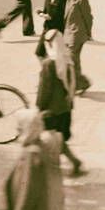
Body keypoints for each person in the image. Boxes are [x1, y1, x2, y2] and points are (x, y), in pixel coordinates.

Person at [35, 29, 84, 178]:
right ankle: (74, 161)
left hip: (51, 109)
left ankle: (48, 167)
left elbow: (45, 90)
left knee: (46, 138)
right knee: (59, 138)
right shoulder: (68, 59)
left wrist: (39, 107)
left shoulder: (48, 64)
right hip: (65, 107)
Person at [64, 0, 93, 94]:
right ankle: (78, 84)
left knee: (72, 60)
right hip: (69, 34)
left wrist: (89, 34)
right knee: (73, 60)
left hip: (76, 35)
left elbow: (88, 18)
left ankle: (81, 83)